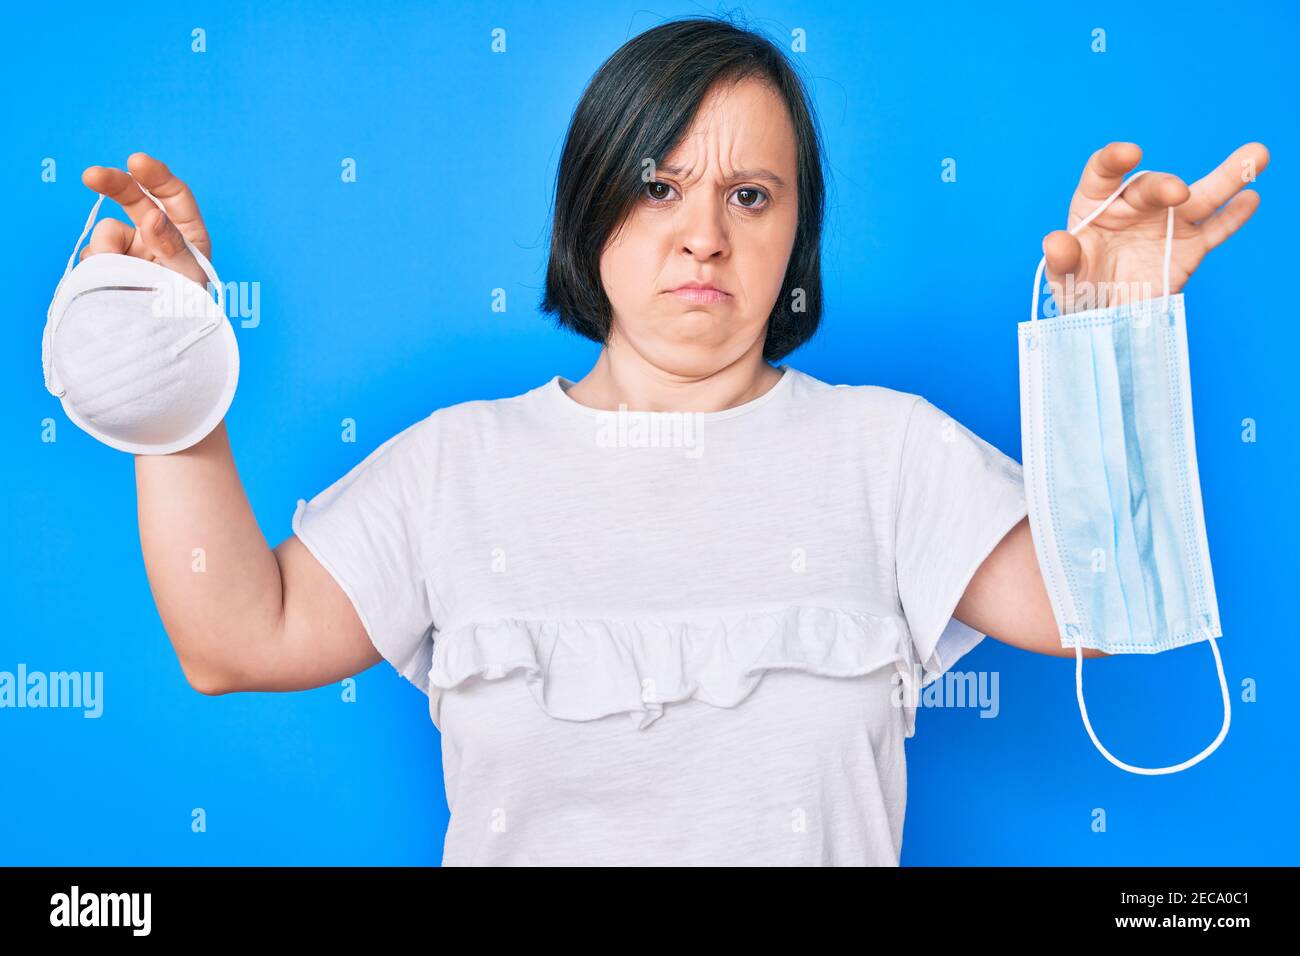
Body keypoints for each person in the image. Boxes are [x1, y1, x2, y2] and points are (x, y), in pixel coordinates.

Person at [76, 16, 1266, 865]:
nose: (703, 233)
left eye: (751, 196)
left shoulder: (888, 454)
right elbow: (235, 636)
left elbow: (1108, 606)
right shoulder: (455, 465)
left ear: (795, 237)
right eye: (658, 184)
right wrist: (164, 369)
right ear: (590, 208)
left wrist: (1113, 328)